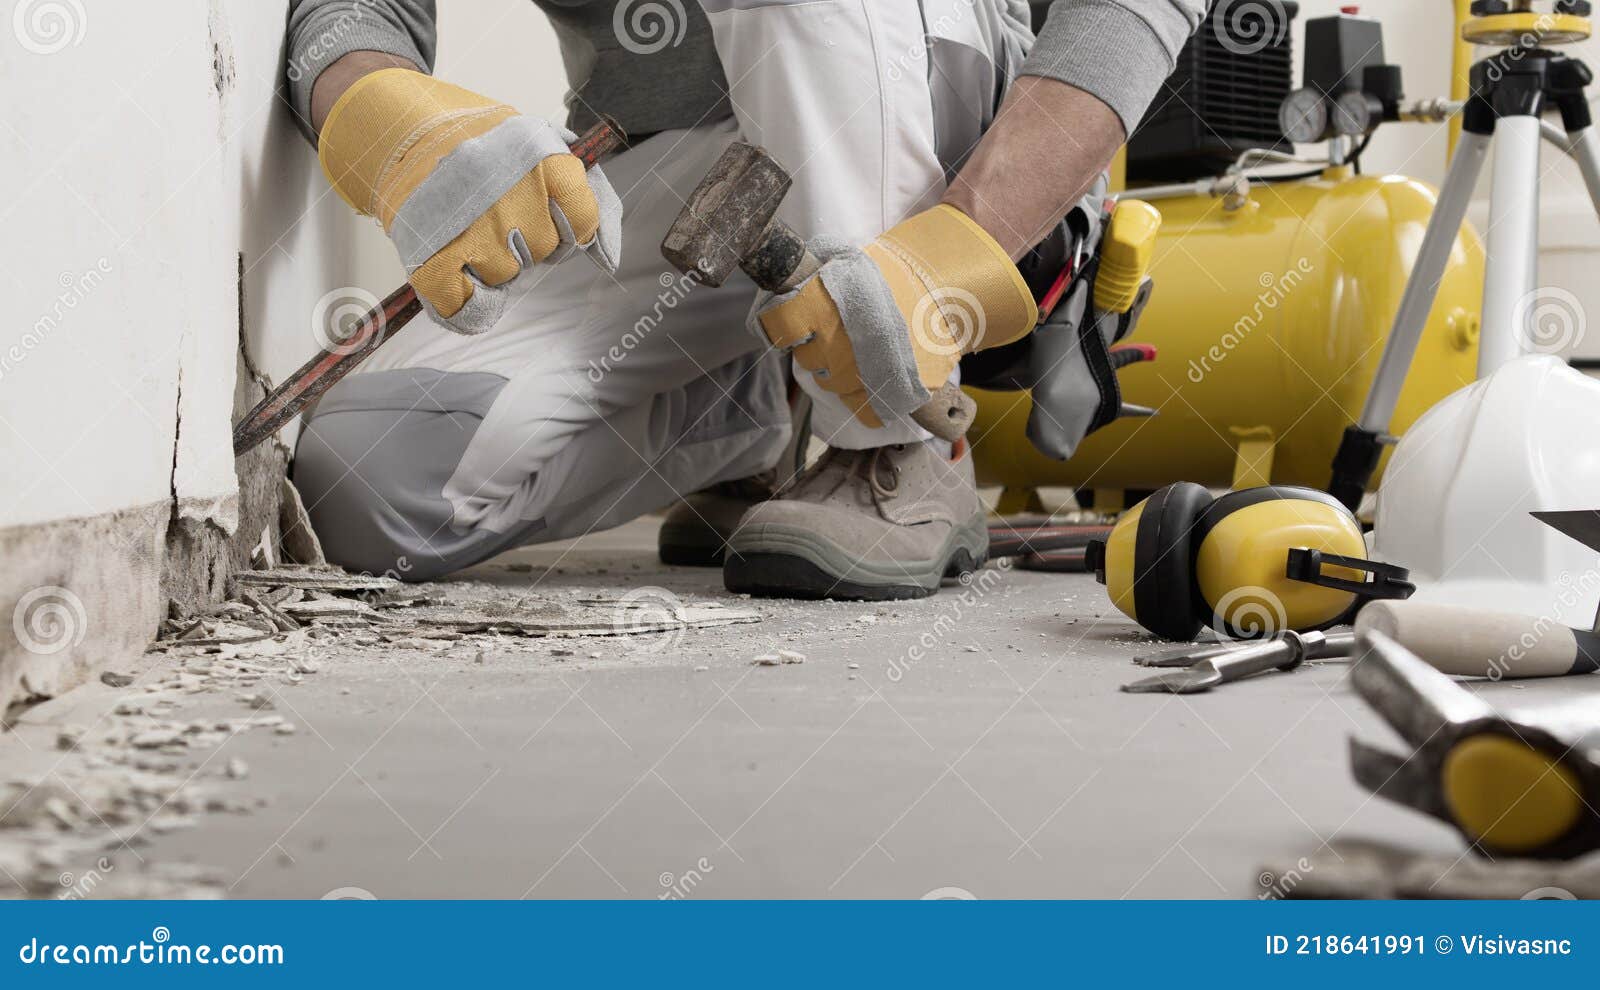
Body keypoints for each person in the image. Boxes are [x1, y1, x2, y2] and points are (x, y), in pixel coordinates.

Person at [286, 0, 1206, 597]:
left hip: (956, 150)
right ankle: (751, 408)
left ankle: (895, 445)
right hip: (680, 158)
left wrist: (960, 248)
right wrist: (390, 118)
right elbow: (354, 11)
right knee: (373, 483)